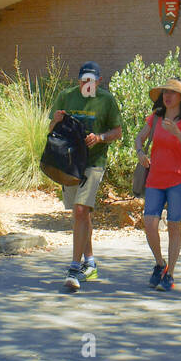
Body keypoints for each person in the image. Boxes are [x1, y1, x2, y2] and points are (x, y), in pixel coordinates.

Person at [50, 60, 122, 292]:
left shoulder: (106, 100)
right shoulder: (66, 96)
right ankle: (90, 262)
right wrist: (56, 121)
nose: (87, 85)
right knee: (80, 214)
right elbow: (51, 129)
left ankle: (74, 268)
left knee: (81, 210)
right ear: (78, 80)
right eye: (83, 81)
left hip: (94, 162)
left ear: (99, 81)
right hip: (70, 162)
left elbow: (118, 132)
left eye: (91, 81)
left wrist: (99, 138)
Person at [133, 77, 181, 291]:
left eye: (172, 93)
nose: (167, 96)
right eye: (165, 93)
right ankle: (160, 263)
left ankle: (169, 274)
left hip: (178, 180)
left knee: (173, 225)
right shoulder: (155, 117)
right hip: (155, 178)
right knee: (149, 224)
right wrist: (140, 153)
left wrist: (177, 133)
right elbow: (139, 138)